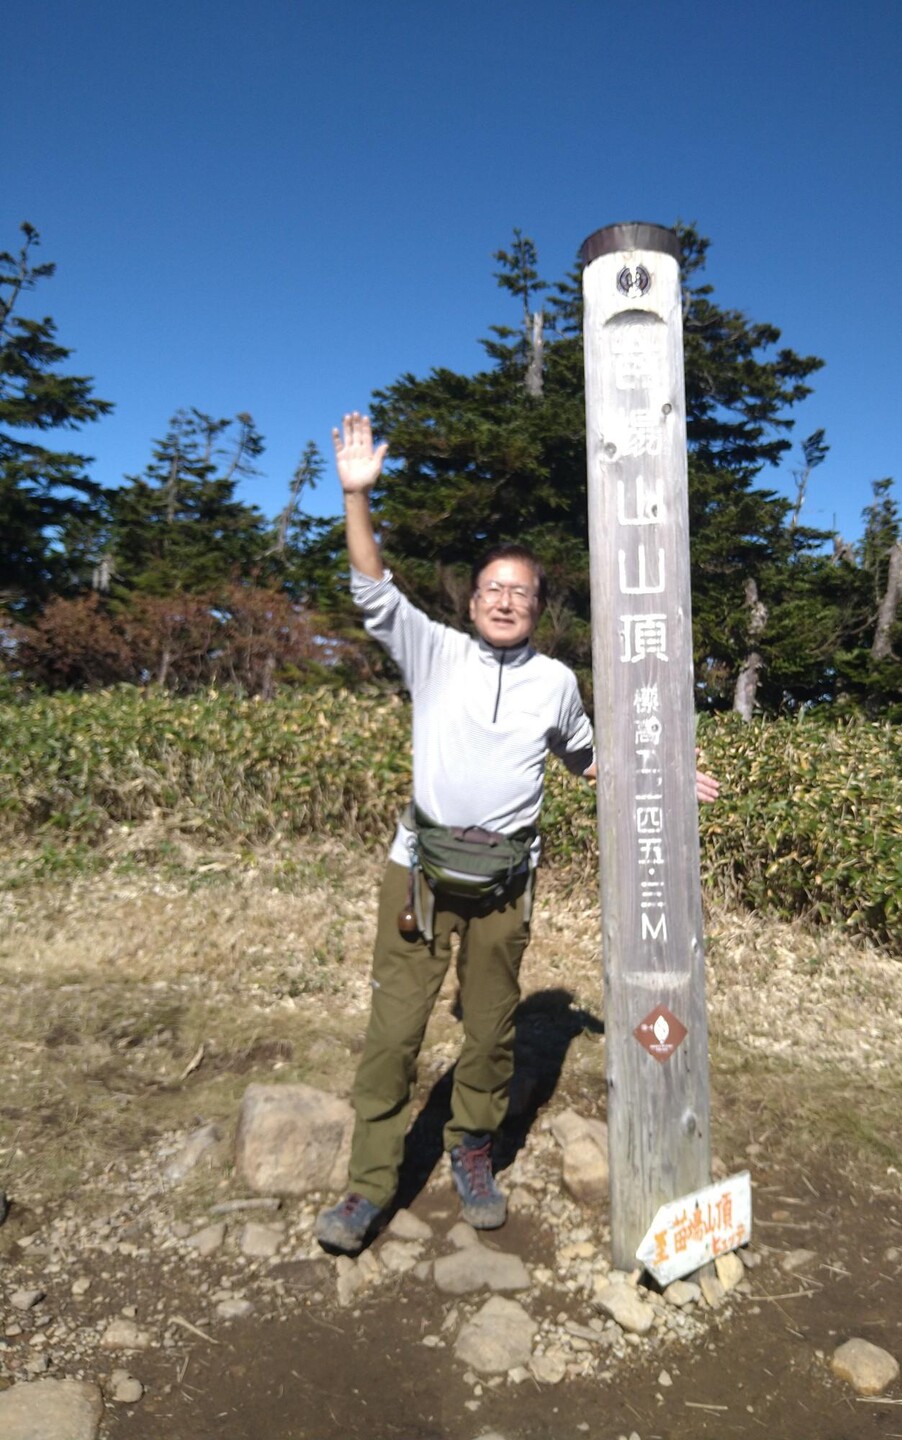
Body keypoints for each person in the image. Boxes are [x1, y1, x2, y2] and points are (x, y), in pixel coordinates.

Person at [316, 412, 718, 1254]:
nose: (506, 601)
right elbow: (370, 588)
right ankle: (367, 1188)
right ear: (472, 602)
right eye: (493, 589)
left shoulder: (556, 683)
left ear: (538, 609)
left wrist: (665, 781)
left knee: (492, 1031)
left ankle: (471, 1154)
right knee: (394, 1033)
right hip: (418, 874)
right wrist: (357, 497)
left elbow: (589, 762)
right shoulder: (433, 653)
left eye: (521, 593)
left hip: (505, 884)